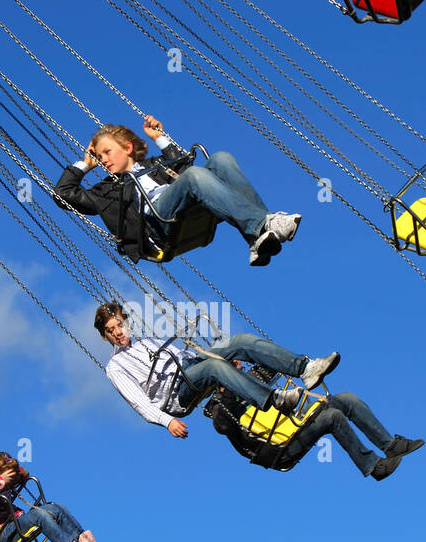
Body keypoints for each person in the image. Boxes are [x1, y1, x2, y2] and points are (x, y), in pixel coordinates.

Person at [55, 115, 302, 266]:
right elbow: (63, 195)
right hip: (157, 225)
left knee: (221, 159)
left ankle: (256, 237)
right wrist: (84, 164)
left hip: (182, 205)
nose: (103, 160)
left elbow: (182, 164)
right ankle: (264, 226)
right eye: (99, 157)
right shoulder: (105, 191)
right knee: (195, 176)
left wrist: (158, 137)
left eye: (107, 152)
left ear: (127, 148)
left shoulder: (155, 166)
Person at [94, 300, 342, 437]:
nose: (118, 332)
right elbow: (138, 403)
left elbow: (187, 356)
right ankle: (275, 400)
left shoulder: (148, 342)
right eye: (111, 330)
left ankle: (306, 368)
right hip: (175, 394)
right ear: (105, 337)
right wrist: (167, 421)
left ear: (127, 322)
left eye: (120, 325)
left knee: (239, 342)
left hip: (191, 369)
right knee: (212, 366)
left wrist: (225, 361)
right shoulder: (115, 366)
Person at [206, 384, 424, 481]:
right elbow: (222, 426)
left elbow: (266, 372)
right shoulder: (220, 408)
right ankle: (374, 467)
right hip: (280, 448)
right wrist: (225, 391)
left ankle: (391, 445)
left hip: (295, 425)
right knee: (333, 417)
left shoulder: (248, 387)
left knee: (346, 399)